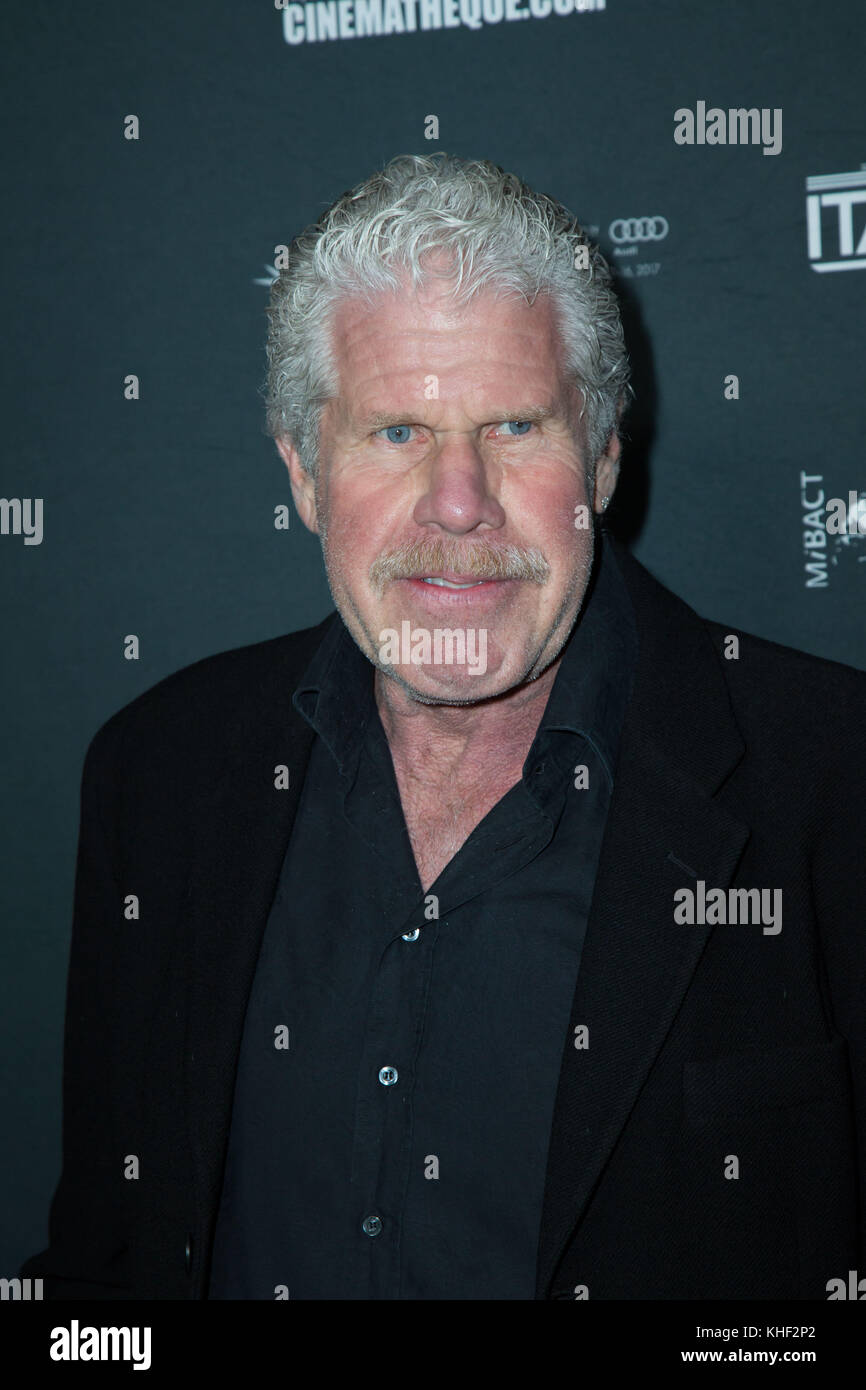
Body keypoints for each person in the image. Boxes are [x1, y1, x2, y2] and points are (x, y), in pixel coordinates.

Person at [22, 153, 865, 1300]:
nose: (458, 501)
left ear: (604, 458)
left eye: (515, 425)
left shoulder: (830, 782)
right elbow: (105, 1269)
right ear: (303, 474)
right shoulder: (156, 774)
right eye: (395, 433)